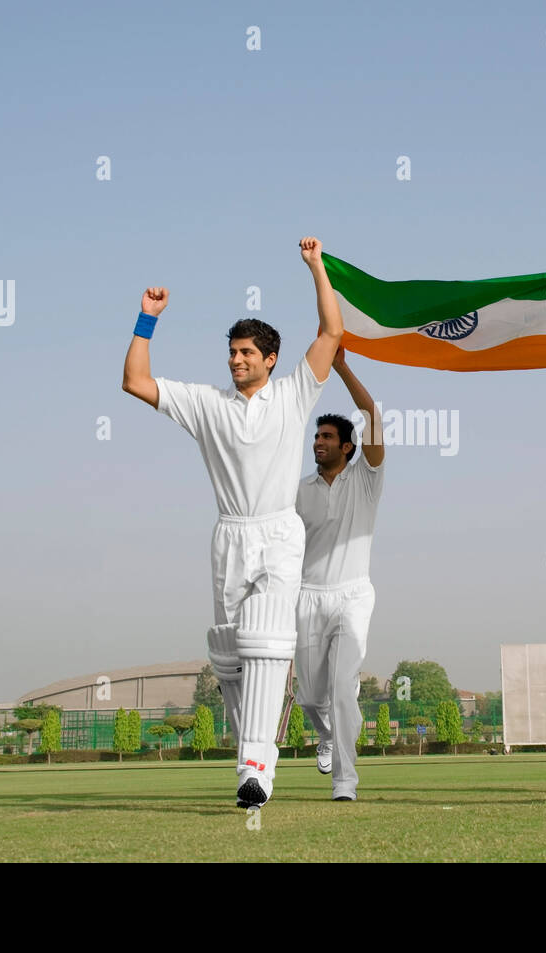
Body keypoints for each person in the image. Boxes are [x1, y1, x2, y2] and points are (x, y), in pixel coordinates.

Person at [121, 237, 343, 808]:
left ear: (269, 359)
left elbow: (331, 334)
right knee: (230, 655)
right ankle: (254, 755)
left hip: (278, 532)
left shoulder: (294, 396)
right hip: (229, 534)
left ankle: (254, 769)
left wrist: (317, 267)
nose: (237, 359)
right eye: (233, 352)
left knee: (268, 641)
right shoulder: (206, 403)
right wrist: (146, 321)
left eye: (247, 353)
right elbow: (136, 383)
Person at [294, 347, 385, 801]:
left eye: (327, 437)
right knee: (311, 698)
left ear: (346, 446)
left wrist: (343, 366)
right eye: (316, 437)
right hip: (308, 596)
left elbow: (370, 413)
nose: (318, 443)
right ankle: (328, 735)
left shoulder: (366, 478)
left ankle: (345, 782)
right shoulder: (300, 491)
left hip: (353, 597)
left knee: (343, 688)